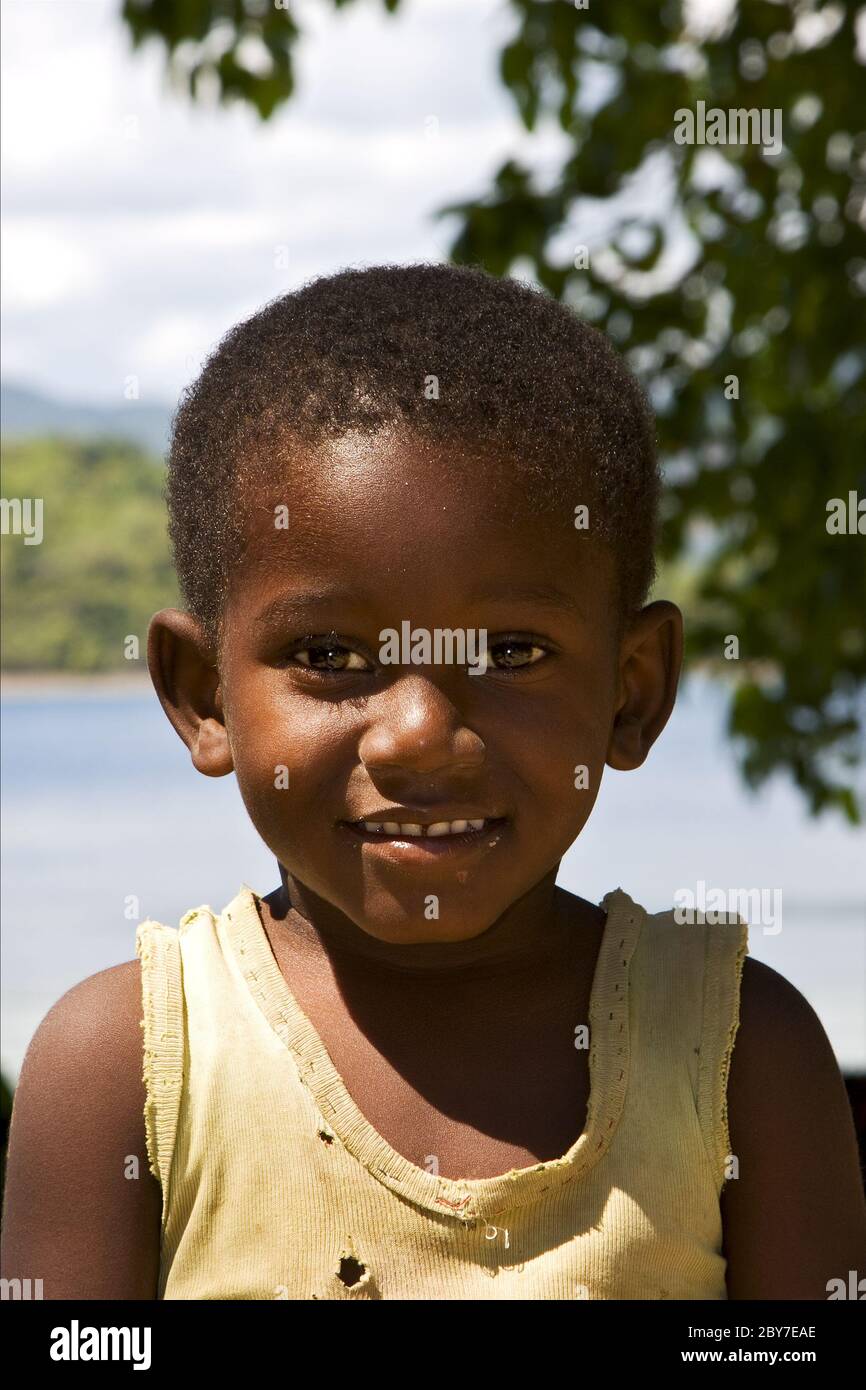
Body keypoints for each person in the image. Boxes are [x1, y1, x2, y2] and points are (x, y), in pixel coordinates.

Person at [2, 264, 864, 1299]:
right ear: (203, 695)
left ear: (630, 694)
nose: (417, 735)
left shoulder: (731, 1056)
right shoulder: (128, 1066)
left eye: (508, 653)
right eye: (327, 654)